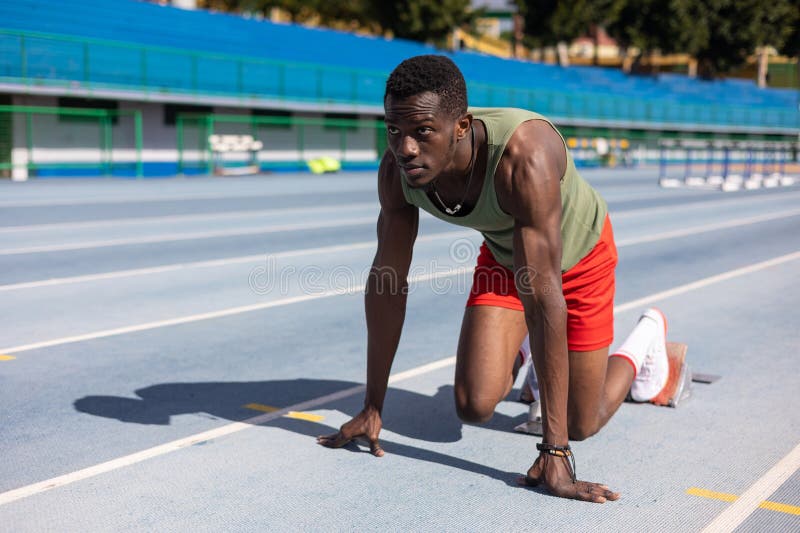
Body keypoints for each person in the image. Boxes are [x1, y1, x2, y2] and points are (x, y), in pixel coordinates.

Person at [317, 55, 681, 503]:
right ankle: (529, 349)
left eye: (422, 132)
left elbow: (545, 294)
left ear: (462, 128)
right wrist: (373, 407)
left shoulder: (524, 156)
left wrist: (555, 449)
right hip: (508, 257)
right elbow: (388, 283)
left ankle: (644, 341)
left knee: (581, 422)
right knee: (472, 405)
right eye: (394, 130)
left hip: (580, 260)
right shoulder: (399, 171)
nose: (405, 147)